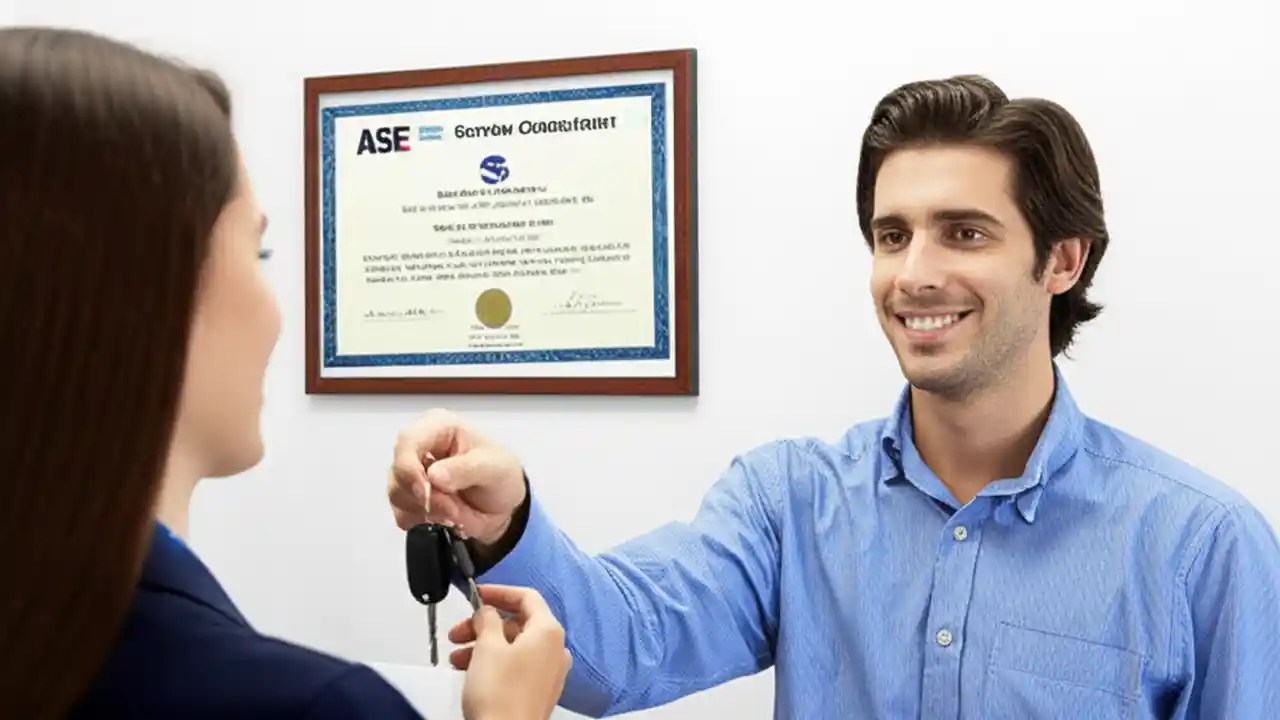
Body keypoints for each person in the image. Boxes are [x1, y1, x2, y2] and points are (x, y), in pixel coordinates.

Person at [388, 74, 1280, 718]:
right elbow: (616, 654)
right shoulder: (788, 503)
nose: (915, 274)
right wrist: (501, 524)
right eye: (892, 236)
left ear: (1062, 259)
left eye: (963, 232)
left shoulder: (1202, 547)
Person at [0, 26, 570, 720]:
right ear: (153, 294)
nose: (278, 313)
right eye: (260, 252)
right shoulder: (314, 706)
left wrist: (505, 529)